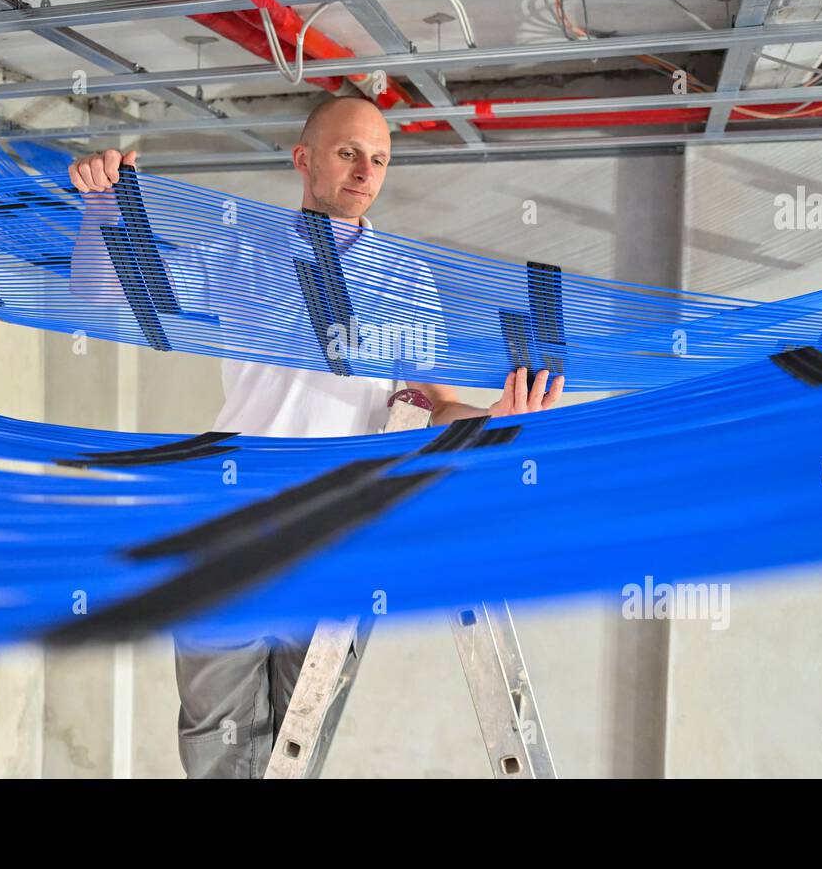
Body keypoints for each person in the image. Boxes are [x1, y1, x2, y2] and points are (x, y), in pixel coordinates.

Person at [68, 95, 563, 777]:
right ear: (304, 160)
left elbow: (439, 407)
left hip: (339, 534)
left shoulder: (407, 277)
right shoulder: (242, 251)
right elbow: (100, 294)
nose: (366, 171)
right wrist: (102, 210)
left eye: (380, 159)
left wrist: (492, 428)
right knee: (218, 742)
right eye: (348, 152)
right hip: (231, 523)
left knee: (298, 753)